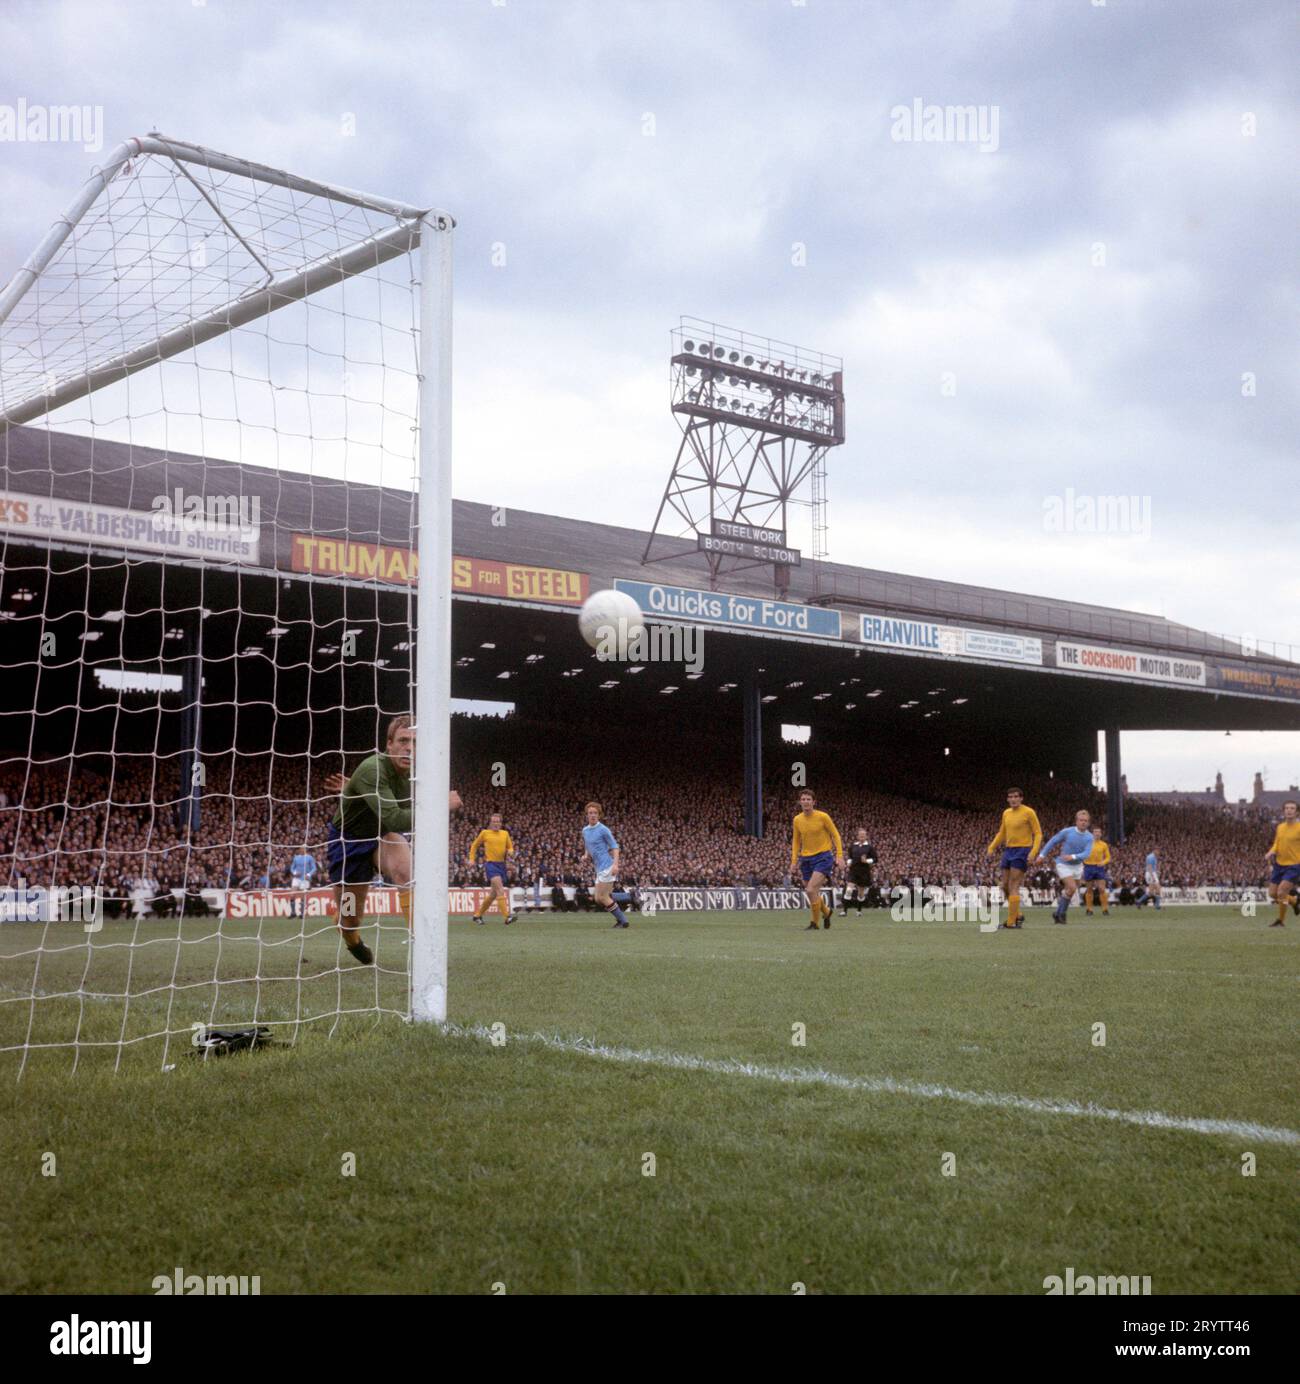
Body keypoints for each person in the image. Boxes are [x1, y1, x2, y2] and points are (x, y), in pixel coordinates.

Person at [325, 716, 416, 966]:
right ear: (389, 744)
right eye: (403, 740)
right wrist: (440, 807)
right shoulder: (372, 769)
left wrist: (355, 788)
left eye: (415, 742)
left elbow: (394, 823)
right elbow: (397, 818)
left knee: (406, 871)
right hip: (349, 842)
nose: (409, 747)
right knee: (350, 918)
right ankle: (351, 937)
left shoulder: (416, 774)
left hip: (381, 836)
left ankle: (422, 946)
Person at [987, 787, 1043, 930]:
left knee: (1013, 884)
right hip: (1009, 850)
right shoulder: (1006, 813)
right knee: (1004, 885)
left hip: (1023, 850)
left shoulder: (1029, 812)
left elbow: (1038, 834)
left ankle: (1011, 923)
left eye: (1015, 796)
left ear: (1021, 798)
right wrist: (992, 847)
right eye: (1010, 797)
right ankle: (1018, 914)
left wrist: (1033, 852)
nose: (1013, 799)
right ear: (1007, 799)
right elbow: (1002, 832)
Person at [790, 789, 843, 931]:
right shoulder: (797, 820)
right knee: (812, 891)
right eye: (803, 799)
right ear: (800, 802)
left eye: (809, 799)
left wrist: (839, 855)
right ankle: (826, 912)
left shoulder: (823, 817)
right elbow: (796, 841)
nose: (806, 801)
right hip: (806, 858)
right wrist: (794, 861)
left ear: (814, 802)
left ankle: (815, 923)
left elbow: (836, 835)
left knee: (810, 889)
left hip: (823, 857)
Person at [1034, 809, 1095, 925]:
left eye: (1085, 821)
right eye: (1081, 820)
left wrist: (1072, 856)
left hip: (1077, 866)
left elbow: (1087, 853)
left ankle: (1057, 913)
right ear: (1076, 821)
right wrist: (1042, 855)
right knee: (1071, 888)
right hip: (1063, 864)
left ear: (1088, 823)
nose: (1083, 822)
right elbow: (1053, 841)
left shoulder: (1089, 837)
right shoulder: (1067, 832)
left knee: (1070, 891)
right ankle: (1062, 914)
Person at [581, 801, 631, 929]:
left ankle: (623, 920)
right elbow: (587, 844)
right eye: (590, 813)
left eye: (595, 813)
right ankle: (625, 901)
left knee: (602, 897)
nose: (592, 815)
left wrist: (615, 865)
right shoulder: (585, 830)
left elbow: (615, 847)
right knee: (598, 898)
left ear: (599, 815)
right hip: (599, 868)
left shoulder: (603, 829)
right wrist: (586, 855)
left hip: (607, 866)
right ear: (586, 815)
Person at [468, 811, 516, 925]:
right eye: (493, 821)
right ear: (490, 823)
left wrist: (510, 852)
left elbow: (511, 848)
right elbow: (474, 845)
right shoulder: (485, 833)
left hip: (501, 865)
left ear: (501, 823)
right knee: (500, 890)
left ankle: (477, 915)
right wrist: (471, 859)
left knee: (493, 894)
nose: (496, 823)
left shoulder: (505, 834)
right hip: (491, 865)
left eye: (497, 821)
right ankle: (507, 917)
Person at [1264, 798, 1300, 928]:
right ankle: (1294, 901)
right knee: (1272, 894)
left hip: (1294, 866)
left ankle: (1281, 920)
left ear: (1297, 813)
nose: (1289, 811)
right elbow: (1277, 844)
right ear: (1284, 811)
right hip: (1279, 865)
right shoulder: (1280, 827)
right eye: (1287, 808)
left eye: (1292, 808)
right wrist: (1271, 852)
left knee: (1281, 893)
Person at [840, 827, 877, 915]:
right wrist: (849, 862)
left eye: (863, 835)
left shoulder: (869, 847)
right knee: (849, 890)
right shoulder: (853, 846)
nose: (862, 837)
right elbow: (850, 856)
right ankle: (844, 911)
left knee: (860, 894)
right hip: (853, 871)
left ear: (866, 836)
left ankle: (859, 911)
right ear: (857, 836)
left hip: (864, 872)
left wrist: (867, 861)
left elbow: (875, 859)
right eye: (860, 835)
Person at [1082, 828, 1111, 916]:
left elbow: (1108, 857)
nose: (1097, 833)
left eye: (1099, 832)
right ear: (1092, 834)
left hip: (1099, 867)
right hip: (1088, 867)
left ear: (1101, 834)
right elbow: (1081, 853)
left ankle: (1105, 909)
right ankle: (1089, 909)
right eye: (1095, 832)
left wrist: (1103, 862)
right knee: (1089, 889)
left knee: (1102, 889)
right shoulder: (1087, 843)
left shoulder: (1104, 845)